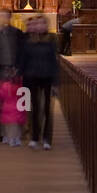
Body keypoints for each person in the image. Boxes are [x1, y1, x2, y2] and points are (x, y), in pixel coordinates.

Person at [21, 14, 59, 150]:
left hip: (47, 77)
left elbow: (54, 62)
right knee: (35, 109)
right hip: (32, 78)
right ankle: (35, 137)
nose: (39, 26)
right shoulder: (29, 42)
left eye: (42, 23)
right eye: (37, 24)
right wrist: (23, 78)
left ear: (46, 25)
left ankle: (47, 138)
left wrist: (56, 83)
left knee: (47, 109)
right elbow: (24, 61)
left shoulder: (51, 41)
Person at [0, 9, 25, 141]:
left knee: (21, 101)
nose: (2, 19)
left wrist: (18, 68)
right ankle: (0, 132)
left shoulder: (18, 33)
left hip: (16, 71)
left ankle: (21, 131)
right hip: (1, 71)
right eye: (0, 17)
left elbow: (22, 52)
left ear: (10, 18)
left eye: (4, 16)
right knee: (1, 102)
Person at [0, 76, 25, 146]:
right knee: (17, 126)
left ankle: (11, 139)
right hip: (18, 109)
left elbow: (2, 95)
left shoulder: (6, 86)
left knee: (10, 126)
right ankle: (16, 139)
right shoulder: (22, 86)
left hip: (8, 109)